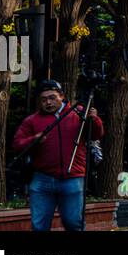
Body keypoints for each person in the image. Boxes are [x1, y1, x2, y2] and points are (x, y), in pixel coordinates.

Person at [11, 79, 104, 231]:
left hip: (72, 177)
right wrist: (34, 139)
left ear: (61, 96)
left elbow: (95, 134)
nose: (48, 102)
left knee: (74, 223)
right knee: (39, 225)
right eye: (43, 99)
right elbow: (17, 144)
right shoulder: (32, 120)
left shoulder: (78, 112)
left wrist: (95, 119)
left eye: (52, 97)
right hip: (42, 179)